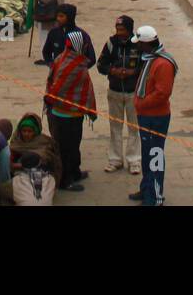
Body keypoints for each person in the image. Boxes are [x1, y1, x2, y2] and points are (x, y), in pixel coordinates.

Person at [44, 31, 98, 191]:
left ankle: (75, 172)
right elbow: (58, 88)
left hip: (72, 112)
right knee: (67, 148)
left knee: (74, 145)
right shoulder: (72, 65)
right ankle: (65, 180)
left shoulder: (65, 58)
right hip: (65, 114)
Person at [129, 25, 176, 206]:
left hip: (156, 117)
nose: (136, 47)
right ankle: (146, 188)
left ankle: (155, 196)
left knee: (155, 156)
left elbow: (162, 94)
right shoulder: (151, 58)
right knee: (146, 154)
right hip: (146, 115)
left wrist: (141, 103)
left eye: (139, 44)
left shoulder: (163, 64)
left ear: (146, 44)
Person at [96, 15, 142, 174]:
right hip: (115, 91)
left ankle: (134, 160)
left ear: (129, 29)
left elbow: (145, 66)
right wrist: (113, 71)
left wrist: (132, 72)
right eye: (117, 29)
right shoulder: (111, 43)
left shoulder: (139, 44)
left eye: (122, 29)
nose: (119, 32)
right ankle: (115, 159)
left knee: (134, 128)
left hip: (133, 93)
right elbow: (100, 65)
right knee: (115, 127)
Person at [9, 113, 62, 205]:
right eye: (24, 131)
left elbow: (45, 159)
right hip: (21, 173)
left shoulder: (44, 142)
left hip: (42, 172)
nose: (26, 134)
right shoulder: (16, 141)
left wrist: (18, 165)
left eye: (30, 131)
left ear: (36, 131)